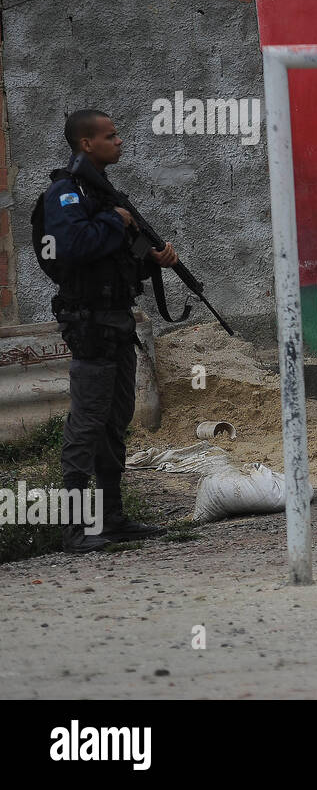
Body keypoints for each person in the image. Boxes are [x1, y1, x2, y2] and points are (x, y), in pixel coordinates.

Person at [41, 110, 175, 553]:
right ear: (86, 143)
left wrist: (151, 258)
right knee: (87, 423)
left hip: (118, 322)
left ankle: (112, 517)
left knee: (115, 421)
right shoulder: (66, 193)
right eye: (110, 135)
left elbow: (117, 259)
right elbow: (74, 246)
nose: (119, 141)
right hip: (90, 325)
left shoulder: (105, 193)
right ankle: (75, 529)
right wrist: (118, 221)